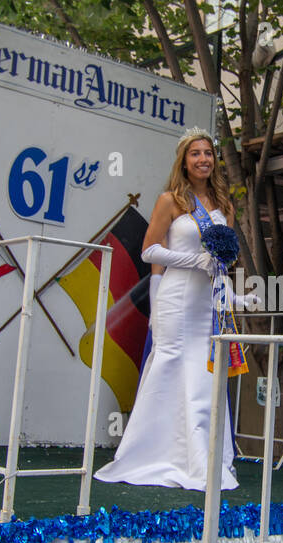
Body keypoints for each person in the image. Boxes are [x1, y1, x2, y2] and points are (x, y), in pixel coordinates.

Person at [94, 128, 247, 491]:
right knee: (171, 365)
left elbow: (221, 262)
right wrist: (194, 260)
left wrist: (234, 297)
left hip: (207, 303)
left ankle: (200, 456)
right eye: (195, 153)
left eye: (208, 153)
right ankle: (152, 452)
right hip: (177, 298)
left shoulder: (224, 204)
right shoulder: (170, 200)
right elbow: (149, 251)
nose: (203, 159)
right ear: (184, 160)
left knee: (204, 376)